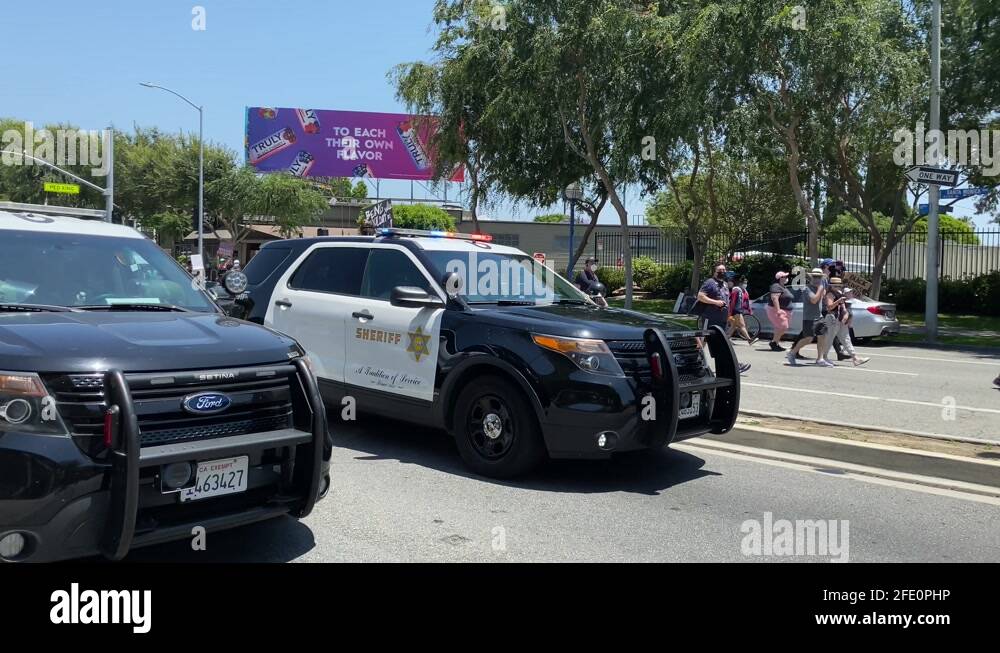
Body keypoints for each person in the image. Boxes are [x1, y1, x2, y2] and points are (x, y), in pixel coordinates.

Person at [697, 264, 751, 374]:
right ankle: (695, 364)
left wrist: (729, 317)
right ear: (714, 272)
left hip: (722, 320)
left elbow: (726, 301)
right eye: (719, 270)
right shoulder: (709, 283)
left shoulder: (725, 285)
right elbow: (700, 296)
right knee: (703, 343)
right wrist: (715, 302)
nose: (722, 272)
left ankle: (733, 365)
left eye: (724, 270)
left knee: (722, 344)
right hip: (710, 319)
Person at [819, 277, 870, 367]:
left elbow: (844, 306)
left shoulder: (839, 293)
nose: (838, 287)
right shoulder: (830, 294)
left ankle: (855, 358)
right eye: (836, 286)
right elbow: (829, 307)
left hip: (840, 319)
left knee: (846, 338)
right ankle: (824, 357)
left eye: (839, 285)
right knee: (829, 339)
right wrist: (839, 301)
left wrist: (846, 314)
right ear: (832, 286)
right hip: (832, 318)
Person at [786, 268, 828, 366]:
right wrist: (821, 289)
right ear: (811, 278)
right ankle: (792, 352)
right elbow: (813, 300)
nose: (817, 279)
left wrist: (822, 290)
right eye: (815, 277)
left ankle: (820, 359)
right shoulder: (806, 288)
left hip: (819, 316)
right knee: (808, 338)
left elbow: (822, 298)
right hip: (809, 318)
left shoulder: (820, 288)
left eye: (819, 277)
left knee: (822, 337)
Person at [767, 271, 794, 351]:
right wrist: (778, 310)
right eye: (784, 277)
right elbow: (775, 298)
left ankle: (775, 343)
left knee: (781, 328)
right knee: (783, 326)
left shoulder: (783, 287)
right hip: (777, 310)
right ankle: (774, 343)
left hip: (786, 310)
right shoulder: (776, 286)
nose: (786, 278)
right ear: (780, 278)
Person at [727, 275, 757, 345]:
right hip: (736, 310)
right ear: (740, 283)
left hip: (738, 310)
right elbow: (733, 302)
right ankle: (749, 340)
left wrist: (749, 310)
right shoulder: (736, 290)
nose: (745, 285)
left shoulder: (744, 291)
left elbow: (746, 301)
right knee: (742, 325)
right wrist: (730, 312)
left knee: (734, 326)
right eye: (744, 283)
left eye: (746, 283)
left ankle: (725, 338)